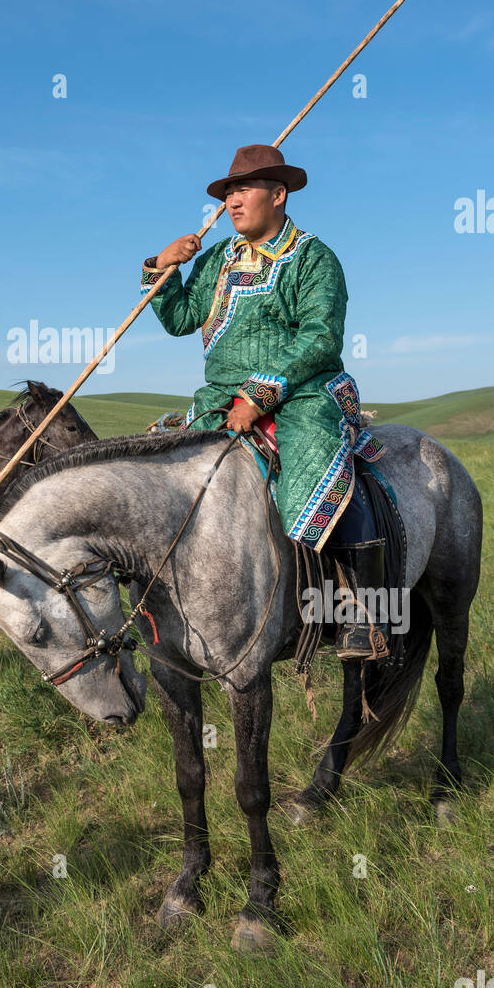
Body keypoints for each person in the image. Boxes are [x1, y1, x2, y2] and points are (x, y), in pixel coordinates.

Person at [142, 145, 389, 661]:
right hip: (218, 397)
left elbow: (320, 337)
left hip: (301, 392)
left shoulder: (313, 258)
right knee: (157, 467)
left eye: (243, 189)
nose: (232, 200)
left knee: (311, 463)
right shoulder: (216, 260)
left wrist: (259, 395)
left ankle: (360, 611)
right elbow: (180, 319)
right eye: (227, 191)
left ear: (278, 195)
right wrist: (161, 267)